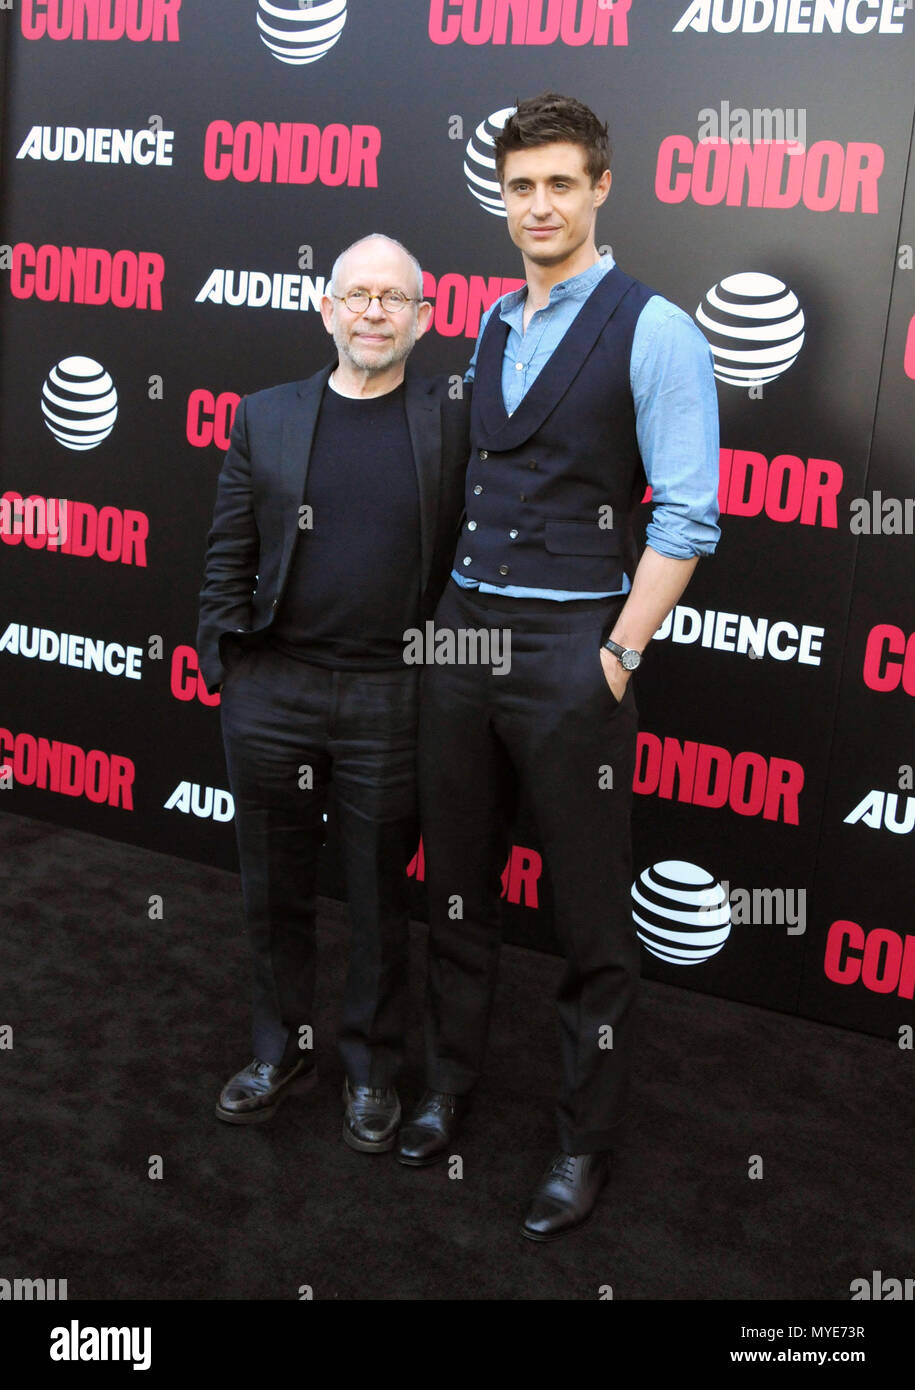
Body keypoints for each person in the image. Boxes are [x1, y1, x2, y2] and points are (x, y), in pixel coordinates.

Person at [395, 94, 721, 1239]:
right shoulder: (489, 321)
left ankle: (583, 1142)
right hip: (463, 637)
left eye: (559, 184)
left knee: (589, 921)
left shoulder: (658, 328)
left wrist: (616, 658)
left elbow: (687, 518)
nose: (538, 205)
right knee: (455, 889)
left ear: (600, 188)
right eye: (519, 185)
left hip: (576, 645)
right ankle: (446, 1088)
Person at [196, 233, 468, 1151]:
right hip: (272, 687)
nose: (374, 312)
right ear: (327, 310)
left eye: (394, 298)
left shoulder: (453, 419)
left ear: (423, 320)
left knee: (379, 898)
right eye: (357, 295)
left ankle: (370, 1070)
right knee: (272, 889)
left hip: (394, 697)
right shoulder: (264, 415)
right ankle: (280, 1049)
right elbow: (229, 550)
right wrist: (227, 666)